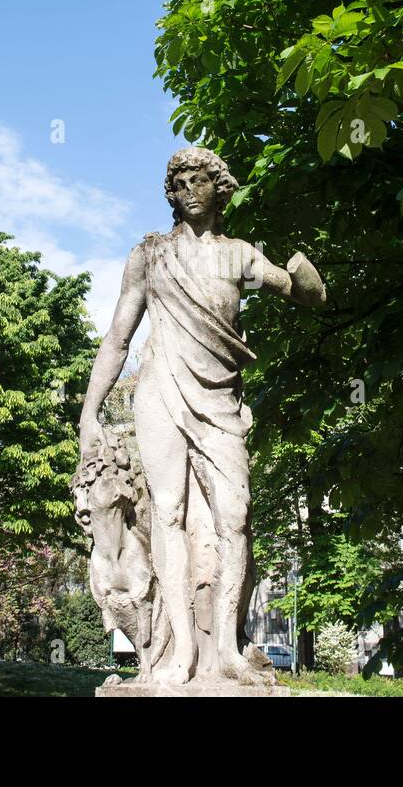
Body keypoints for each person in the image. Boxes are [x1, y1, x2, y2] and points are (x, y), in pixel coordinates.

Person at [78, 147, 325, 684]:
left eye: (198, 180)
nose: (188, 190)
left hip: (220, 400)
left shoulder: (239, 256)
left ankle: (227, 651)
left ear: (219, 187)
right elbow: (118, 338)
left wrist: (305, 281)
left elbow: (299, 290)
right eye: (179, 182)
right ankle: (184, 650)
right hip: (161, 387)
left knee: (234, 515)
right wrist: (88, 411)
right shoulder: (149, 256)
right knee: (167, 510)